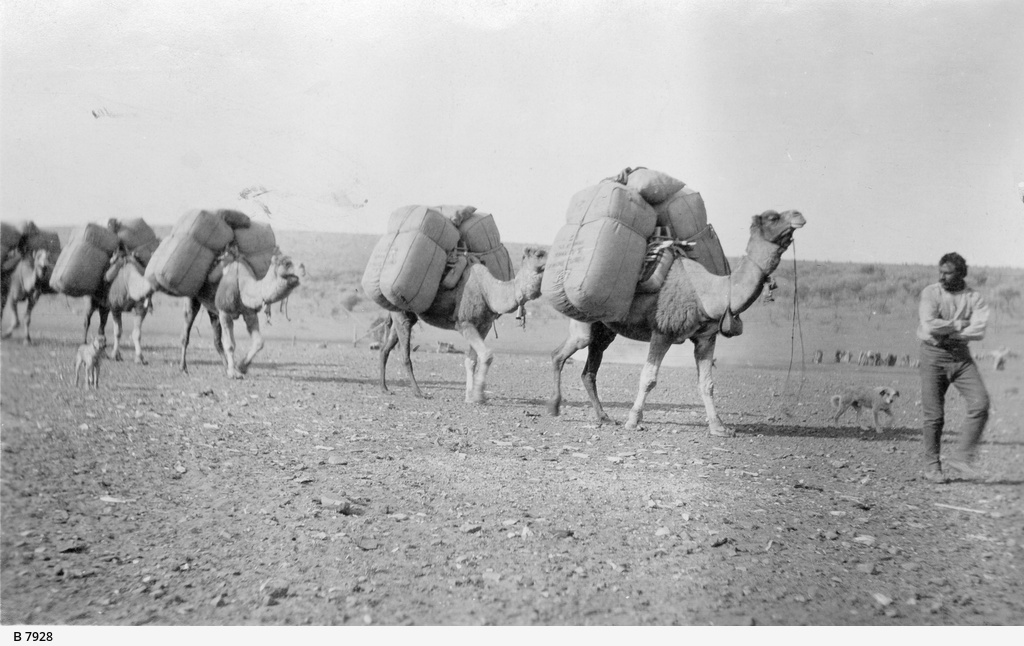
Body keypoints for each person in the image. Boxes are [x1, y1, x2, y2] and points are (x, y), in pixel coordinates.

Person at [916, 252, 991, 483]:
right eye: (940, 271)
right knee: (934, 416)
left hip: (961, 357)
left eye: (948, 273)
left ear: (961, 274)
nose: (942, 277)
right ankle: (932, 466)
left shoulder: (974, 298)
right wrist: (960, 324)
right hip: (933, 355)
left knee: (980, 403)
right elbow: (929, 325)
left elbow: (979, 330)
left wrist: (948, 332)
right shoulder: (931, 292)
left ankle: (961, 458)